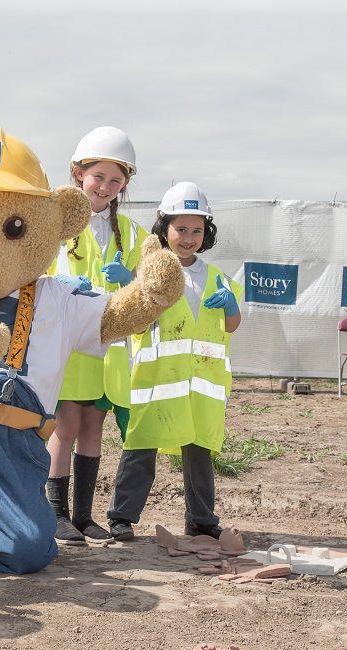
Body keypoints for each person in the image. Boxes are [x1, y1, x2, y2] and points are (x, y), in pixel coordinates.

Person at [106, 181, 243, 541]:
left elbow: (232, 325)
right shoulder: (150, 270)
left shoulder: (216, 279)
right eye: (181, 229)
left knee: (199, 452)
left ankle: (200, 518)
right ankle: (121, 516)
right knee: (141, 447)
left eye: (197, 230)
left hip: (201, 386)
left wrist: (231, 307)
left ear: (206, 233)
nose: (188, 237)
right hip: (158, 381)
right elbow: (133, 316)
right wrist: (130, 284)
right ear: (164, 228)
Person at [46, 127, 148, 546]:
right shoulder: (54, 221)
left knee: (92, 427)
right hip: (69, 344)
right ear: (77, 172)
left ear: (125, 184)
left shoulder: (135, 233)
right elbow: (40, 277)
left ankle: (84, 516)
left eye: (115, 180)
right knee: (65, 424)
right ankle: (55, 513)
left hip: (109, 351)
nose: (105, 187)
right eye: (98, 176)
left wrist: (131, 281)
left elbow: (148, 286)